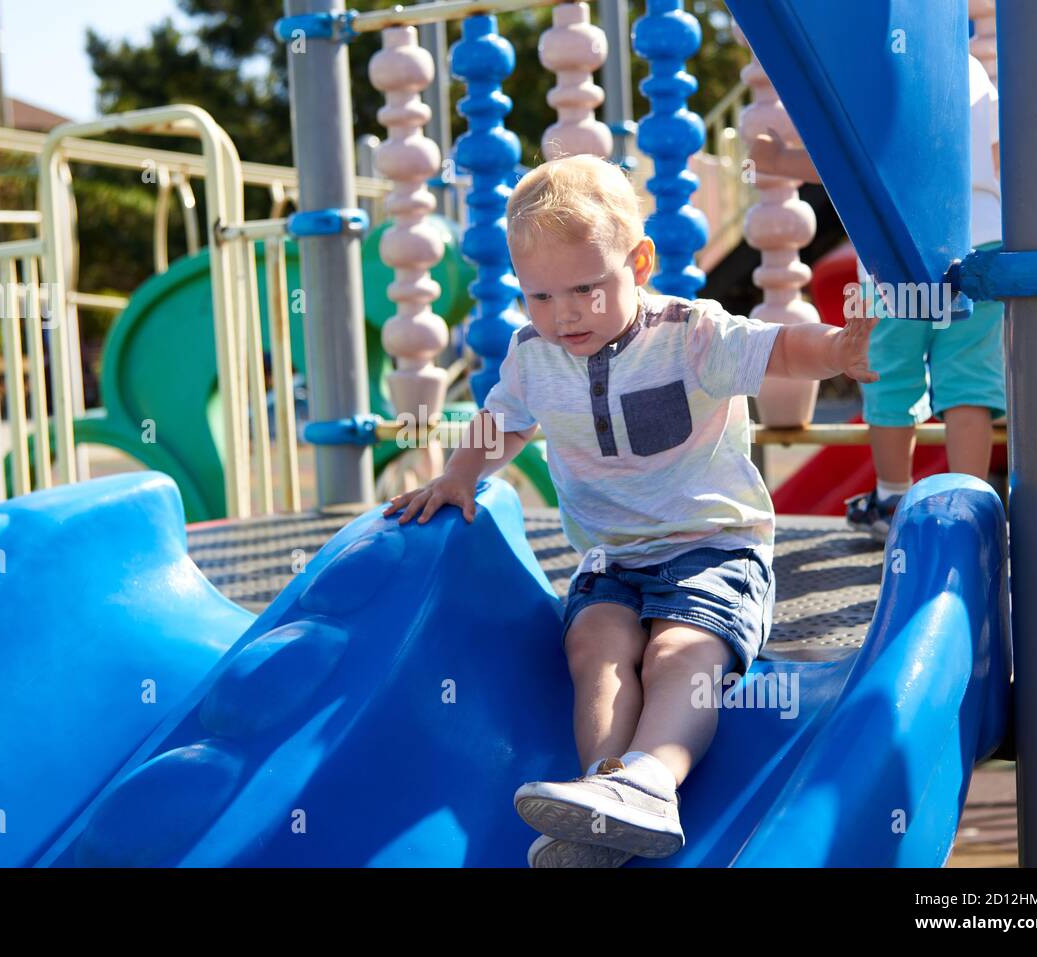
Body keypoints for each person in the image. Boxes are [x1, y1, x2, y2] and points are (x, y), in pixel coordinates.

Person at [381, 154, 878, 867]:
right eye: (542, 296)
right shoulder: (533, 356)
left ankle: (650, 777)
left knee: (683, 651)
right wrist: (459, 473)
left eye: (586, 287)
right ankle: (601, 798)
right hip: (609, 558)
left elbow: (778, 349)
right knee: (594, 649)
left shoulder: (689, 334)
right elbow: (503, 422)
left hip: (713, 547)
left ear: (639, 262)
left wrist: (838, 348)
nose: (565, 313)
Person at [750, 55, 1005, 540]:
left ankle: (890, 499)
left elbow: (849, 160)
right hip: (980, 237)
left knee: (890, 370)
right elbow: (997, 154)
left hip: (900, 241)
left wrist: (778, 160)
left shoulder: (873, 63)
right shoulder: (967, 64)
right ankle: (971, 508)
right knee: (970, 378)